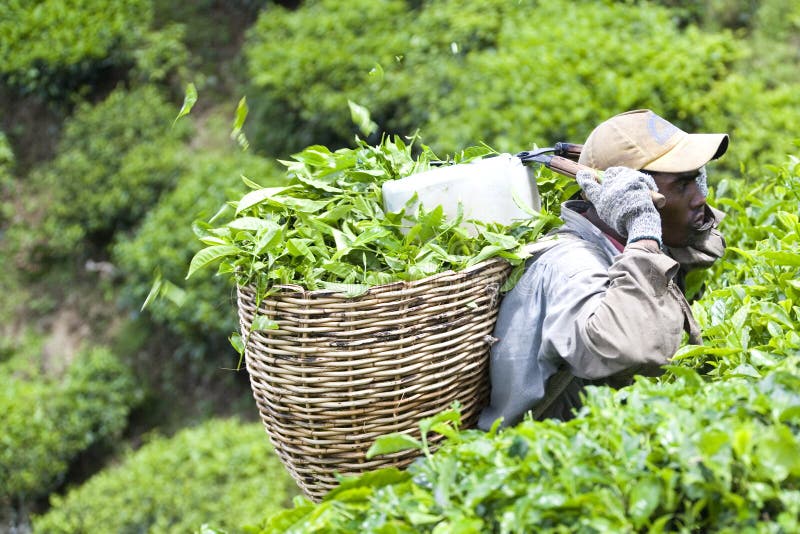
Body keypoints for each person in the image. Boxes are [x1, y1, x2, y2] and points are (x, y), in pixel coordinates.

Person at [477, 109, 729, 429]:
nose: (700, 198)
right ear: (631, 195)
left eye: (699, 178)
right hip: (545, 456)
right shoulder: (570, 266)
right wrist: (643, 225)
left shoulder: (626, 244)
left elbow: (702, 246)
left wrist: (652, 225)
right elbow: (630, 348)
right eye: (682, 184)